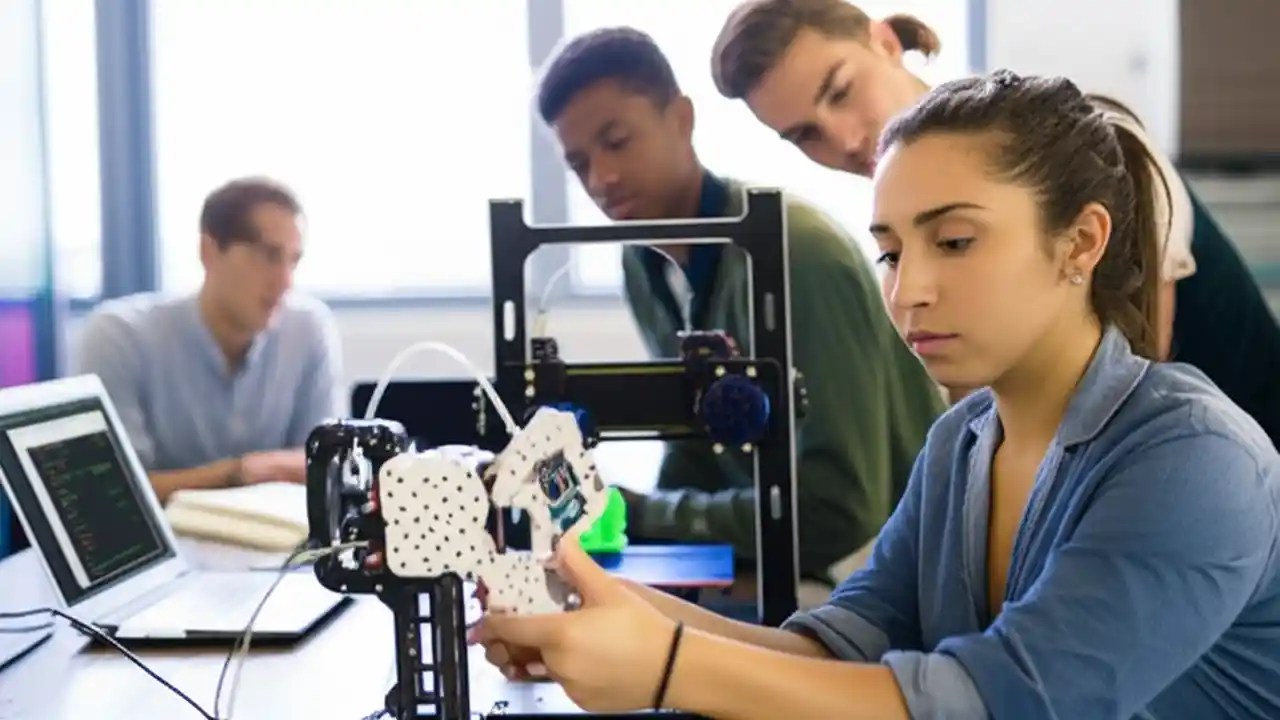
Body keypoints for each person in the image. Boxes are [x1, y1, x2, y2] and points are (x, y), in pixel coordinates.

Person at [472, 71, 1280, 719]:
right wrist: (621, 611)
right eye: (891, 254)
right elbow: (842, 652)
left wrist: (668, 670)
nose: (910, 292)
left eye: (955, 242)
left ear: (1081, 242)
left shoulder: (1193, 459)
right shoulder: (963, 442)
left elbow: (999, 703)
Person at [710, 0, 1280, 442]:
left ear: (883, 40)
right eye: (803, 134)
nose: (843, 138)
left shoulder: (1083, 152)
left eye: (840, 91)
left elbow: (1134, 385)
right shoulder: (903, 219)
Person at [533, 27, 945, 588]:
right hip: (782, 560)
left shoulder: (793, 252)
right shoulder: (642, 264)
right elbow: (700, 449)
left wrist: (639, 514)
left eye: (618, 141)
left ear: (681, 119)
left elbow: (841, 511)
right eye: (579, 164)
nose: (601, 178)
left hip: (883, 572)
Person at [75, 177, 343, 502]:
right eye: (269, 255)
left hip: (279, 541)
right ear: (209, 251)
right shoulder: (119, 337)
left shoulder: (309, 328)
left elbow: (324, 463)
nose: (285, 281)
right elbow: (112, 492)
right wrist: (240, 473)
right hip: (169, 545)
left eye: (293, 260)